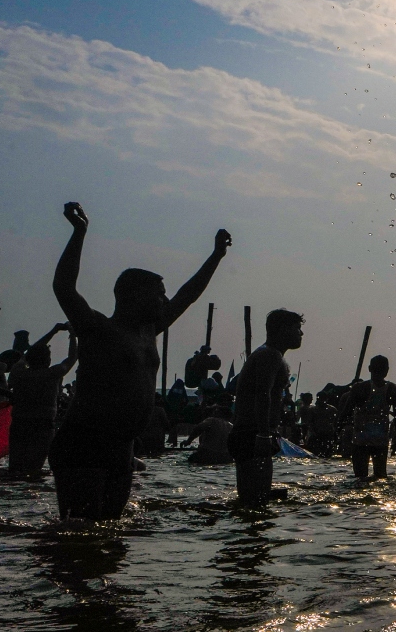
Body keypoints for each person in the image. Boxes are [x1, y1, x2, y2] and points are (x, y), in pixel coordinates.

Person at [48, 202, 230, 520]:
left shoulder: (149, 332)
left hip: (122, 447)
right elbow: (64, 287)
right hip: (84, 442)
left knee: (109, 540)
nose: (165, 299)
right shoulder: (99, 329)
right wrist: (79, 233)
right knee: (78, 537)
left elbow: (188, 294)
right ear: (134, 297)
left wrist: (215, 256)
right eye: (159, 294)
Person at [227, 309, 303, 507]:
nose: (300, 334)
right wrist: (262, 435)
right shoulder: (270, 355)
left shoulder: (269, 354)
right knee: (255, 503)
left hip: (250, 432)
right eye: (297, 329)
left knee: (254, 500)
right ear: (283, 330)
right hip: (252, 434)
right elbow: (263, 394)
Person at [6, 323, 76, 476]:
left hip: (19, 424)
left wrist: (53, 331)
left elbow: (28, 353)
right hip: (42, 426)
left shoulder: (19, 372)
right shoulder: (52, 374)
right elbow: (72, 357)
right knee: (34, 470)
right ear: (48, 360)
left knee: (15, 469)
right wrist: (73, 336)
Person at [345, 355, 396, 478]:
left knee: (360, 477)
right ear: (387, 370)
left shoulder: (359, 388)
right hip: (380, 439)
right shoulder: (393, 389)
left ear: (369, 368)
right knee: (380, 476)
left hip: (361, 439)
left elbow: (346, 413)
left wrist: (341, 433)